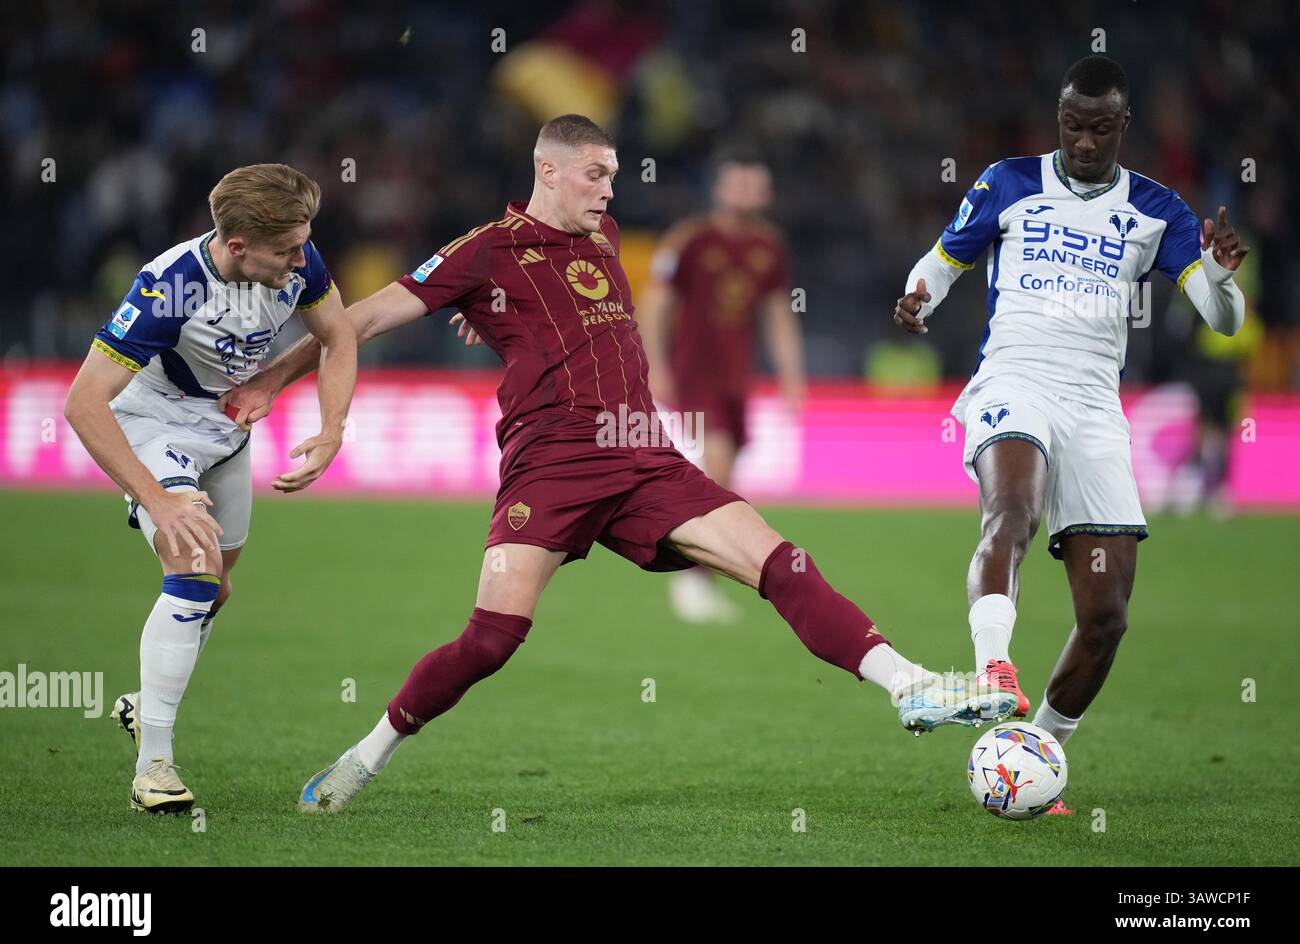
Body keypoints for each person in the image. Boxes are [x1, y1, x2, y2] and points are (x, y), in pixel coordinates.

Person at [224, 114, 1016, 814]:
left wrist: (496, 321)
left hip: (642, 453)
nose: (610, 190)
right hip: (553, 461)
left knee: (780, 558)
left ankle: (911, 686)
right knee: (492, 640)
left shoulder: (600, 241)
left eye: (615, 175)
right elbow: (353, 322)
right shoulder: (485, 251)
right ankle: (367, 756)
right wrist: (274, 383)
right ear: (548, 170)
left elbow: (552, 318)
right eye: (596, 175)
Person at [894, 56, 1247, 812]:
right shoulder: (1008, 182)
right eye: (1071, 125)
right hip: (1014, 378)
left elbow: (1221, 320)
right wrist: (918, 297)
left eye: (1098, 128)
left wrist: (1219, 281)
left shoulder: (1159, 211)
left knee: (1107, 616)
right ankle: (993, 671)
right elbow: (946, 258)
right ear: (1059, 120)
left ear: (1123, 126)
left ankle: (1038, 751)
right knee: (1011, 511)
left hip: (1095, 405)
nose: (1082, 142)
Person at [63, 164, 357, 813]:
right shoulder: (169, 287)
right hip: (153, 424)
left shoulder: (296, 255)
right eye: (287, 250)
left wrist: (326, 422)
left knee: (214, 589)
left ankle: (147, 701)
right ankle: (153, 769)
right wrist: (158, 498)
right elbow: (84, 403)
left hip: (225, 430)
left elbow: (338, 332)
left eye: (305, 241)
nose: (301, 258)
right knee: (192, 569)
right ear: (237, 247)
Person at [638, 151, 805, 624]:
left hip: (737, 377)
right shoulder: (690, 240)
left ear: (766, 194)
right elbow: (656, 300)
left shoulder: (769, 247)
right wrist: (655, 364)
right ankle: (692, 580)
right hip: (696, 372)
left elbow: (778, 315)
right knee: (716, 471)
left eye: (755, 186)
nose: (747, 194)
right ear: (720, 189)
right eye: (739, 184)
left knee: (724, 476)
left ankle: (693, 572)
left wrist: (792, 377)